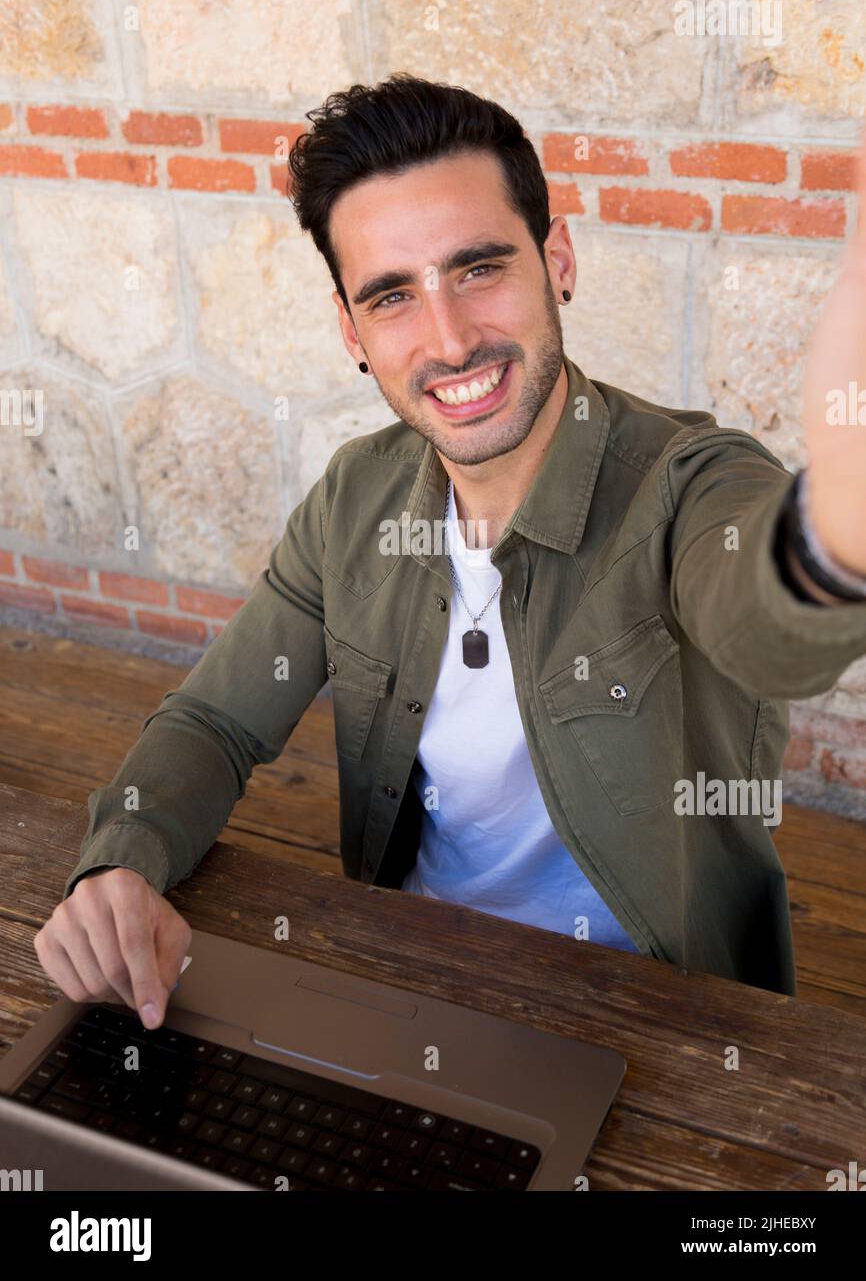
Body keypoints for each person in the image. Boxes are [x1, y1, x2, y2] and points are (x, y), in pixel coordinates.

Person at [35, 74, 866, 1029]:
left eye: (478, 269)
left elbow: (767, 621)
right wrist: (119, 861)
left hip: (661, 1020)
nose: (450, 339)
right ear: (353, 331)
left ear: (558, 261)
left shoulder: (689, 481)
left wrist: (834, 530)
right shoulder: (357, 496)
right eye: (393, 296)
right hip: (412, 978)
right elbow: (218, 720)